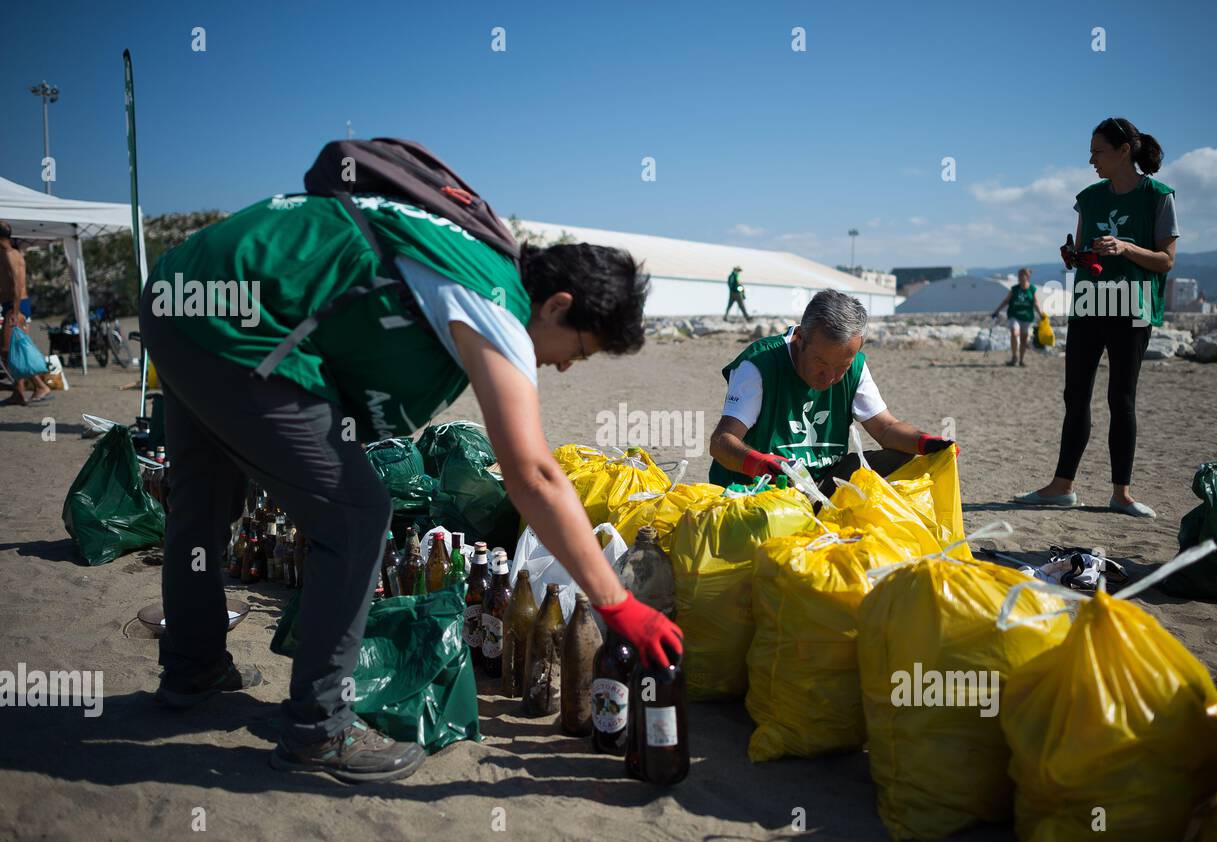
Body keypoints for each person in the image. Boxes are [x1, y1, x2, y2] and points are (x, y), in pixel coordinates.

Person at [140, 170, 683, 784]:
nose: (560, 366)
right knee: (356, 515)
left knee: (205, 495)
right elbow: (531, 474)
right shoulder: (492, 297)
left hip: (182, 290)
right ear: (558, 304)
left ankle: (194, 666)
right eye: (576, 350)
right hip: (235, 323)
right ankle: (318, 730)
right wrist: (616, 603)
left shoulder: (470, 247)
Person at [1015, 117, 1178, 518]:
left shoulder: (1158, 196)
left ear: (1124, 151)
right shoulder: (1087, 198)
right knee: (1075, 397)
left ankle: (1121, 494)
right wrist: (1074, 257)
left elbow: (1166, 261)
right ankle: (1061, 487)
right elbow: (1085, 251)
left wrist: (1124, 248)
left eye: (1097, 152)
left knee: (1121, 399)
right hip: (1089, 303)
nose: (1091, 160)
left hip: (1133, 307)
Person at [708, 288, 955, 496]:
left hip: (821, 482)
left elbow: (886, 428)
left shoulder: (855, 366)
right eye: (820, 363)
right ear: (800, 338)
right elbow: (721, 442)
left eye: (842, 367)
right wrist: (760, 463)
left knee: (902, 457)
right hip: (761, 488)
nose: (831, 377)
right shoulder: (760, 364)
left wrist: (927, 442)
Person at [1, 223, 53, 405]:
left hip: (16, 306)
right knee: (15, 349)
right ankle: (18, 392)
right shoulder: (6, 254)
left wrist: (14, 312)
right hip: (12, 305)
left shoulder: (10, 255)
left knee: (7, 350)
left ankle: (40, 386)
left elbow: (17, 285)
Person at [990, 268, 1047, 367]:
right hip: (1014, 315)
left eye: (1023, 275)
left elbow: (1036, 303)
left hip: (1027, 317)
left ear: (1028, 277)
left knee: (1024, 339)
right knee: (1014, 332)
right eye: (1019, 275)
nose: (1020, 277)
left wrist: (1041, 314)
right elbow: (1006, 301)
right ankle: (1014, 357)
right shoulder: (1014, 289)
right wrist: (997, 311)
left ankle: (1021, 360)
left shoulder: (1032, 289)